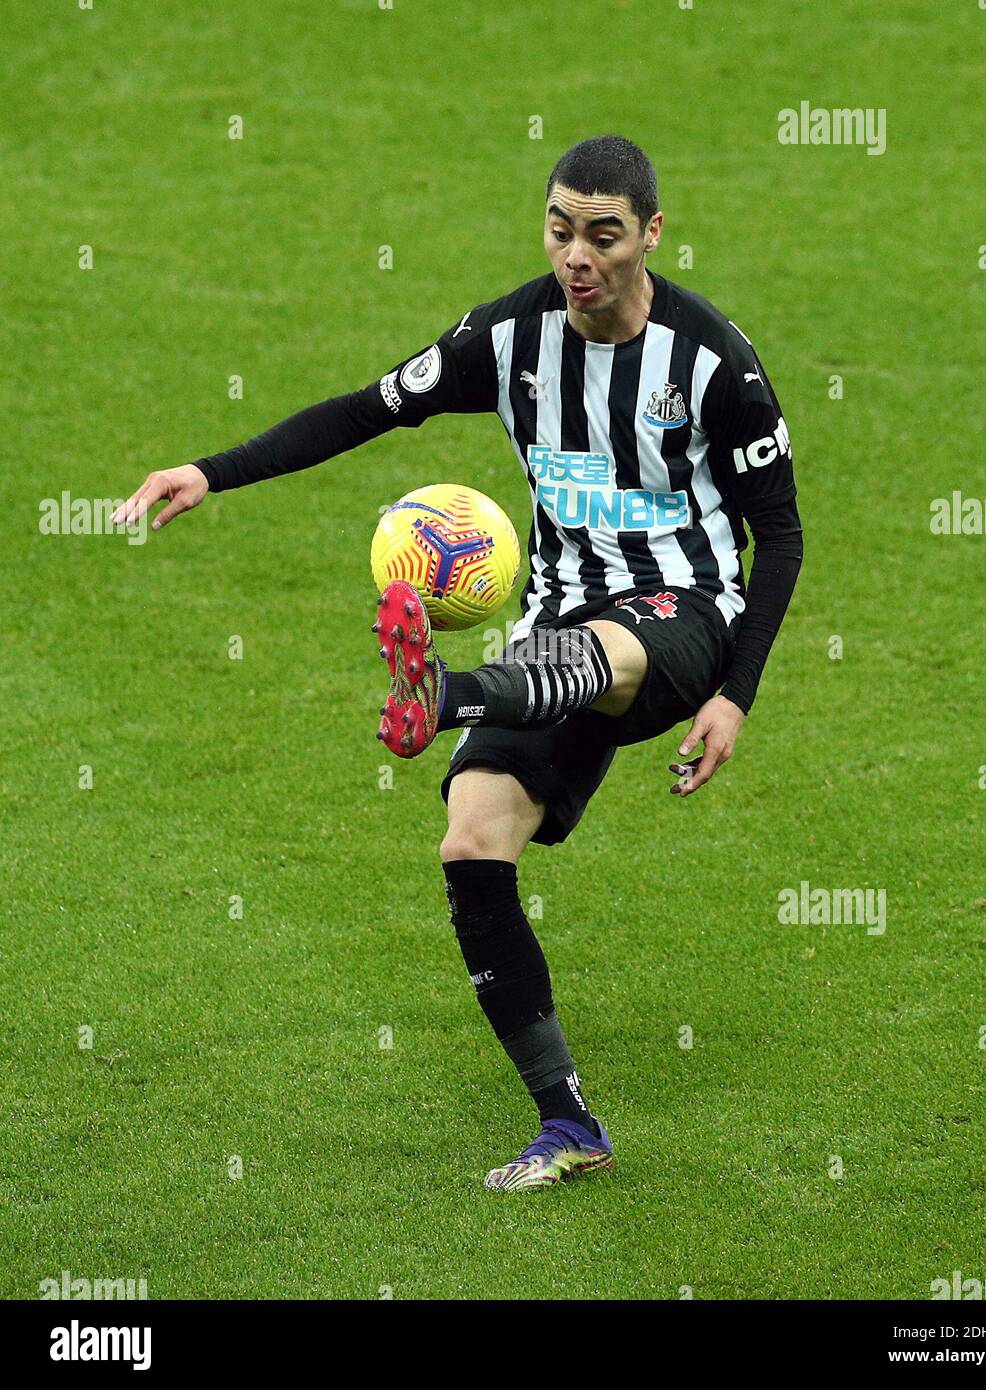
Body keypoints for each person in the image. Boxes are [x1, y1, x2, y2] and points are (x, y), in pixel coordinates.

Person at [112, 134, 803, 1192]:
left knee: (602, 646)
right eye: (558, 228)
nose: (576, 255)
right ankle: (566, 1122)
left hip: (683, 613)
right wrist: (212, 471)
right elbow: (366, 407)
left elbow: (781, 536)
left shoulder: (715, 363)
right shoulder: (508, 335)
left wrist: (735, 694)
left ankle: (444, 693)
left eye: (602, 235)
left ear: (650, 234)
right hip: (555, 628)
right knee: (471, 838)